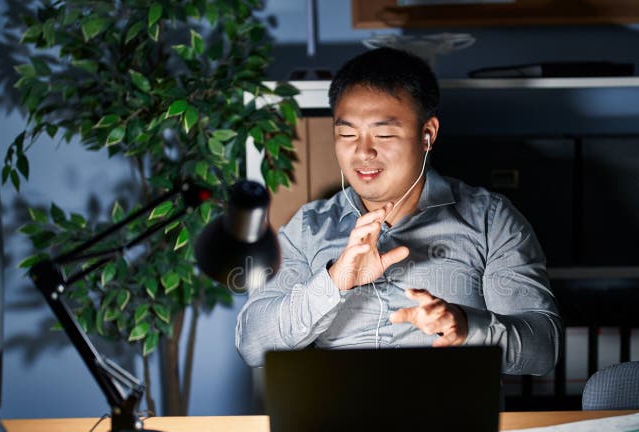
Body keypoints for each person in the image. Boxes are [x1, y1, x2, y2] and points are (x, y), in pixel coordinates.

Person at [235, 47, 562, 375]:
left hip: (447, 404)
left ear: (427, 134)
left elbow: (544, 350)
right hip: (338, 405)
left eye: (384, 134)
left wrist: (466, 328)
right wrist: (333, 282)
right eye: (347, 134)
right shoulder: (309, 227)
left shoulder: (491, 221)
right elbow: (252, 343)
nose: (363, 152)